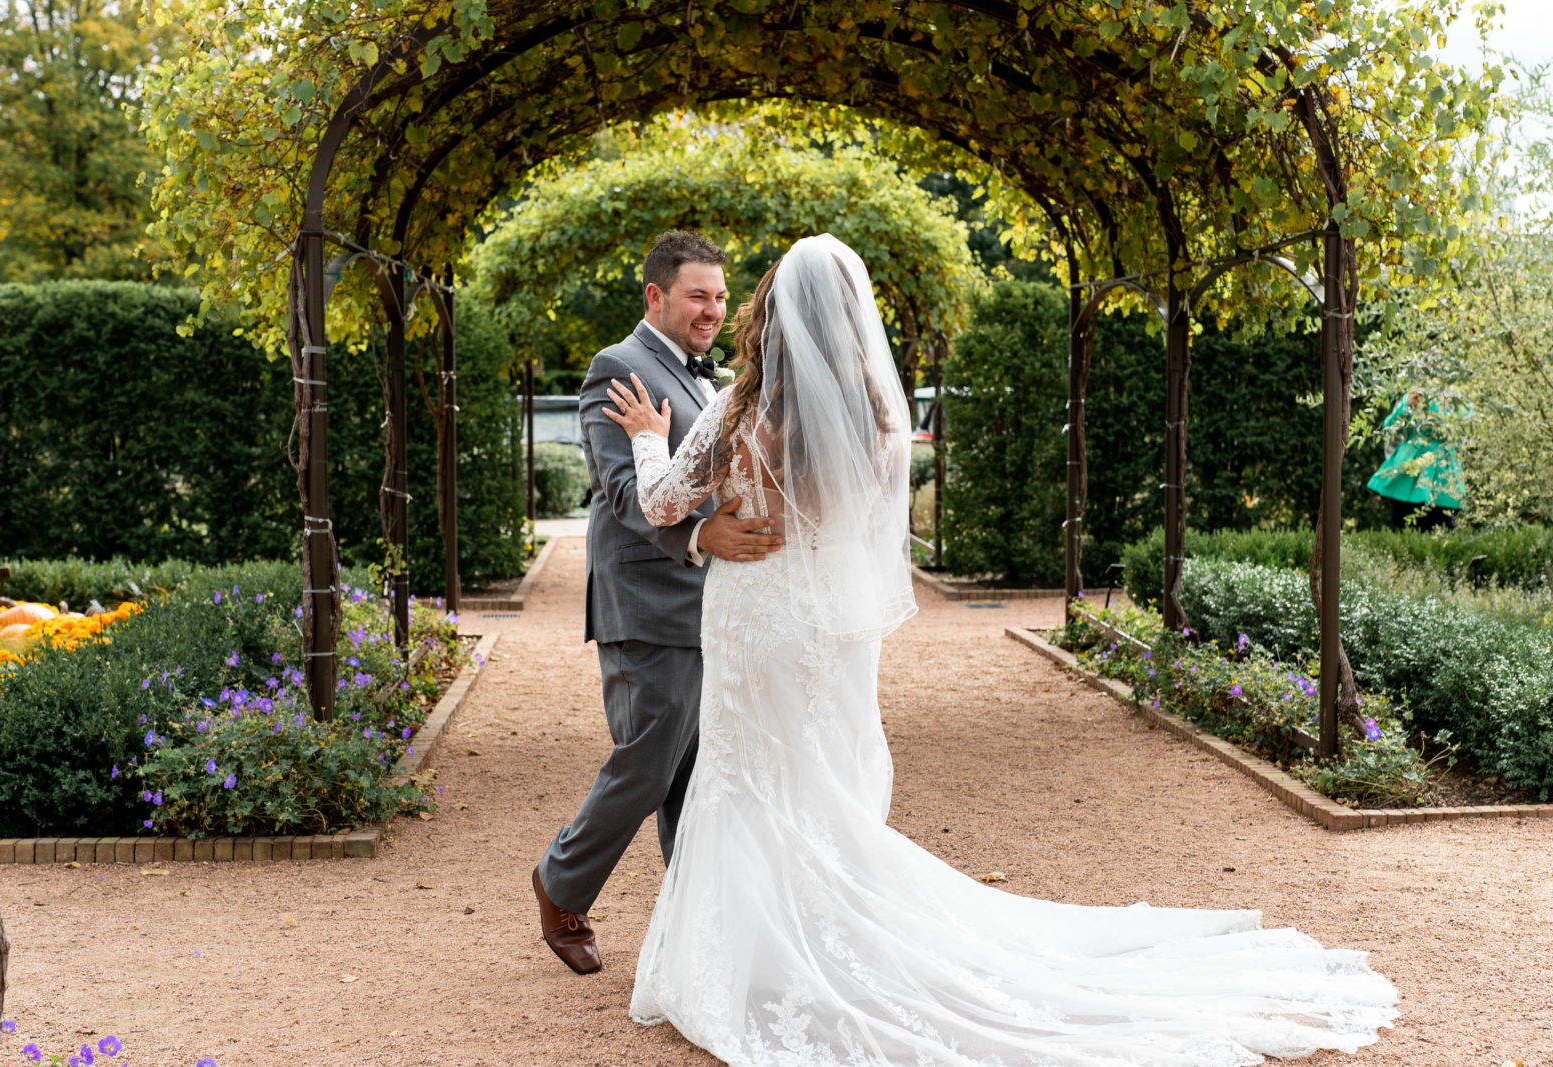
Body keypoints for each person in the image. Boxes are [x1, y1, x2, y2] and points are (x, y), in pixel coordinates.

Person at [601, 233, 1399, 1065]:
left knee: (746, 778)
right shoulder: (878, 419)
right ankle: (804, 940)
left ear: (771, 315)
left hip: (752, 623)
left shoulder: (738, 411)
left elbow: (660, 504)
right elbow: (861, 532)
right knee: (814, 782)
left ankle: (750, 961)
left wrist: (651, 436)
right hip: (825, 631)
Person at [532, 231, 784, 975]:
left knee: (695, 771)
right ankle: (561, 882)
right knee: (647, 761)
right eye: (697, 295)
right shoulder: (618, 367)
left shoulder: (711, 378)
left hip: (710, 606)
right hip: (645, 600)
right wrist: (704, 532)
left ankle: (692, 916)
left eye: (719, 296)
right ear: (656, 296)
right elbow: (620, 486)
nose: (712, 310)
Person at [1367, 386, 1464, 530]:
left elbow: (1461, 433)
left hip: (1443, 470)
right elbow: (1389, 429)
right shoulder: (1412, 393)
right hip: (1407, 468)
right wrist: (1406, 404)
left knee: (1441, 528)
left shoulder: (1454, 395)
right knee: (1402, 528)